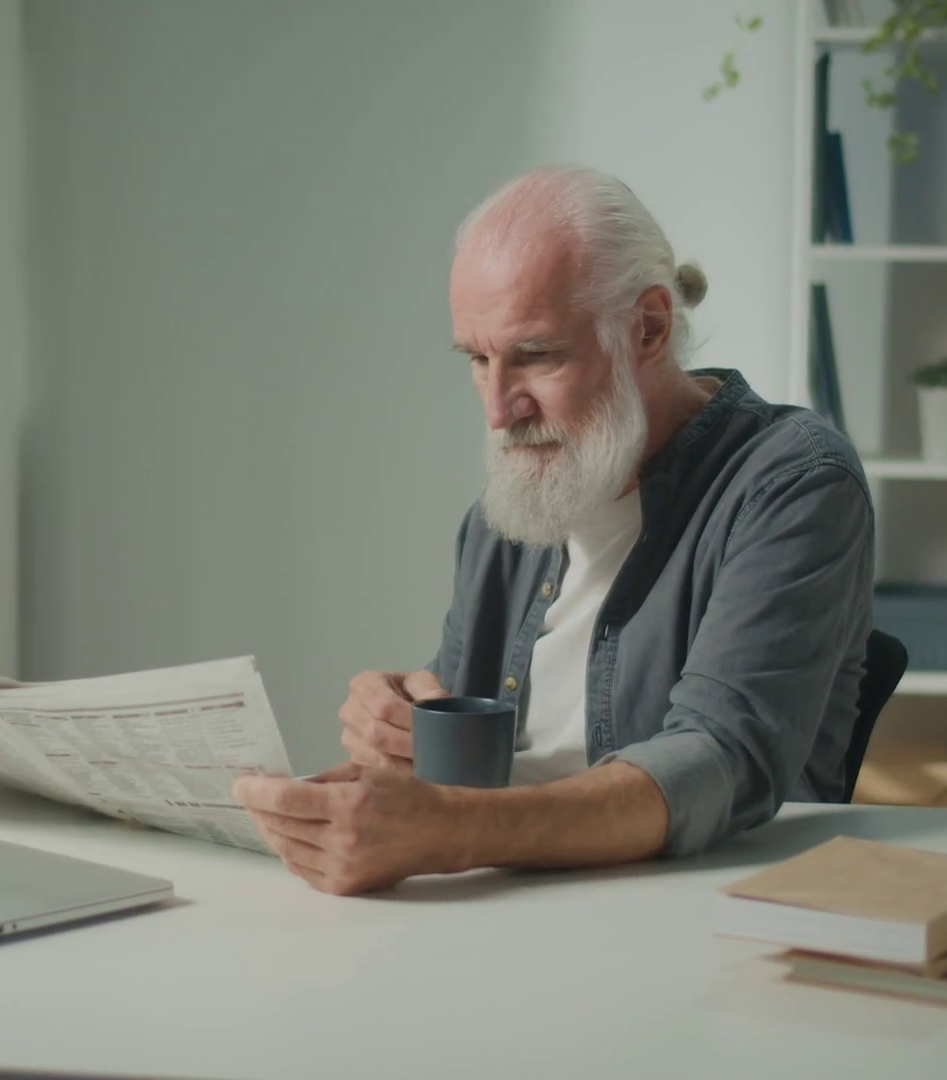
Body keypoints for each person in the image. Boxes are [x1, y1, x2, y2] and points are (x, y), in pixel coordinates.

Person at [233, 165, 875, 896]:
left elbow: (720, 759)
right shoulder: (512, 508)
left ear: (648, 327)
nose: (499, 410)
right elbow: (453, 765)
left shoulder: (793, 482)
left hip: (717, 910)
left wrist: (452, 832)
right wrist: (398, 728)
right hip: (516, 903)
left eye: (535, 355)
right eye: (479, 360)